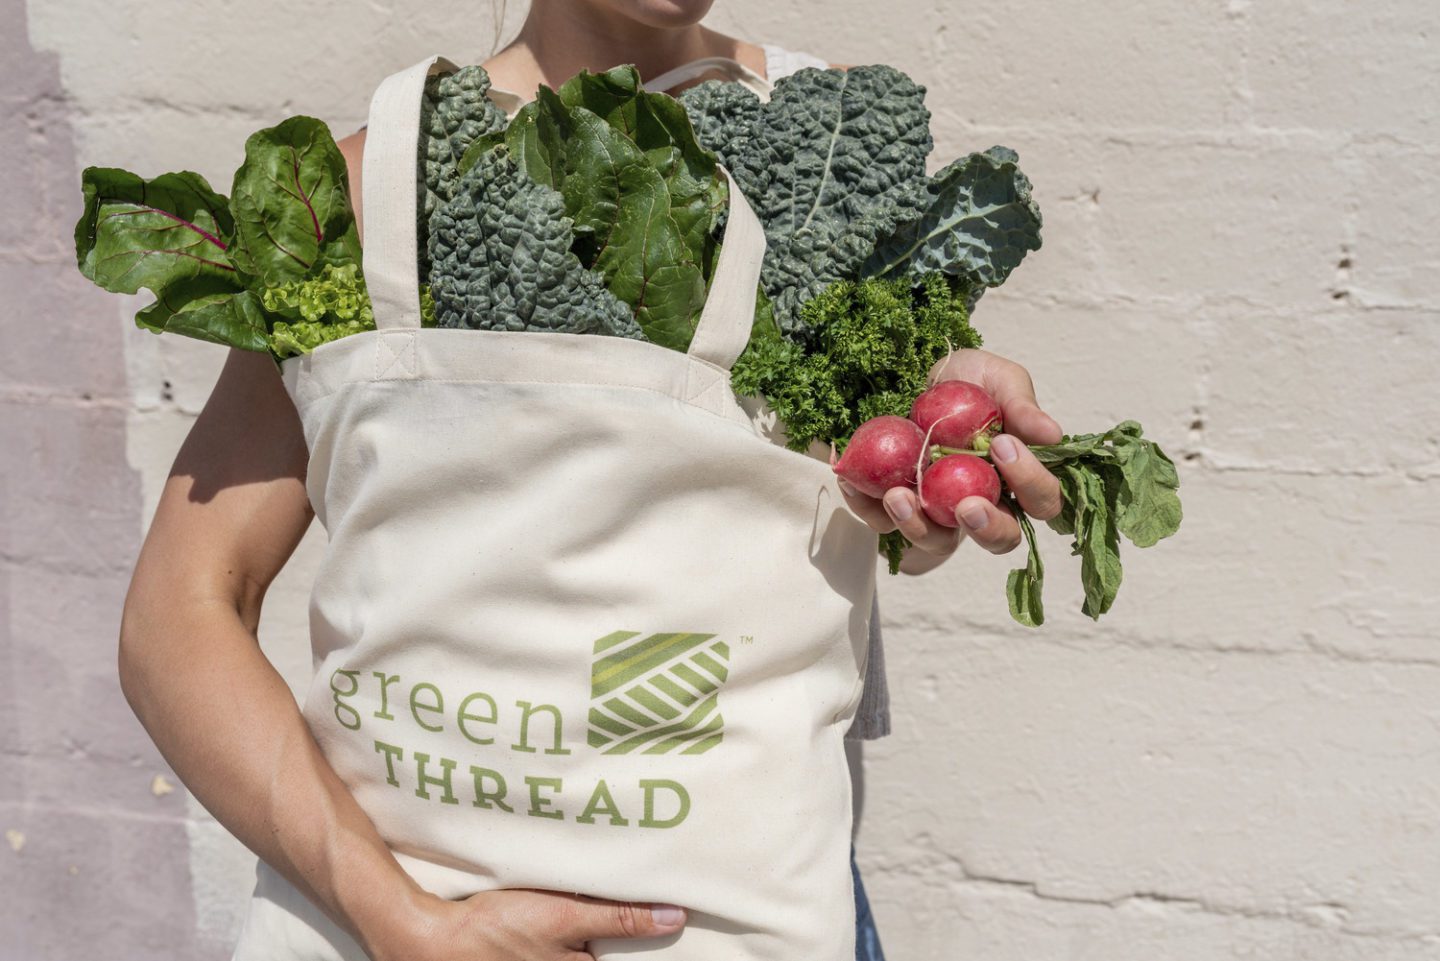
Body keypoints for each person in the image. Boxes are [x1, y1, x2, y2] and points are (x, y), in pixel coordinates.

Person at [116, 2, 1064, 959]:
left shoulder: (836, 146)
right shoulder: (366, 192)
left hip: (745, 906)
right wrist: (402, 921)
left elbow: (868, 469)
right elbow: (180, 613)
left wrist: (939, 438)